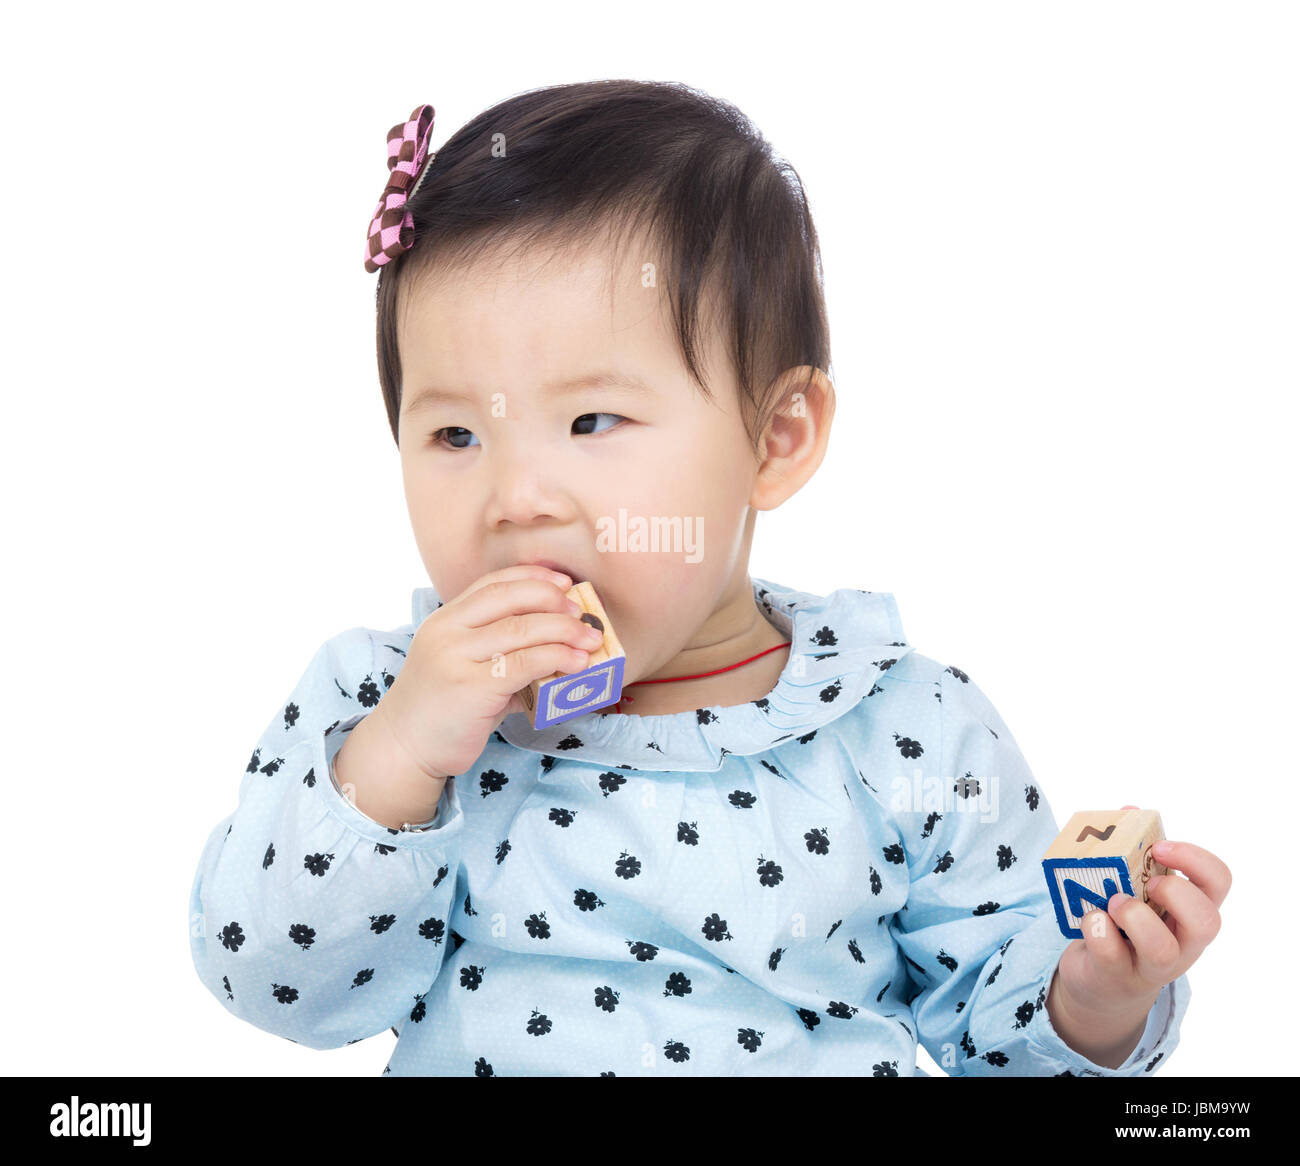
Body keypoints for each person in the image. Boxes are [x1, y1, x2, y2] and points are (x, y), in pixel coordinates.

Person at [188, 81, 1229, 1076]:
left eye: (592, 420)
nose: (515, 495)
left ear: (774, 437)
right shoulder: (377, 704)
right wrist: (405, 754)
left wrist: (1093, 996)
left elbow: (991, 1027)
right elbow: (275, 985)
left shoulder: (899, 721)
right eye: (454, 431)